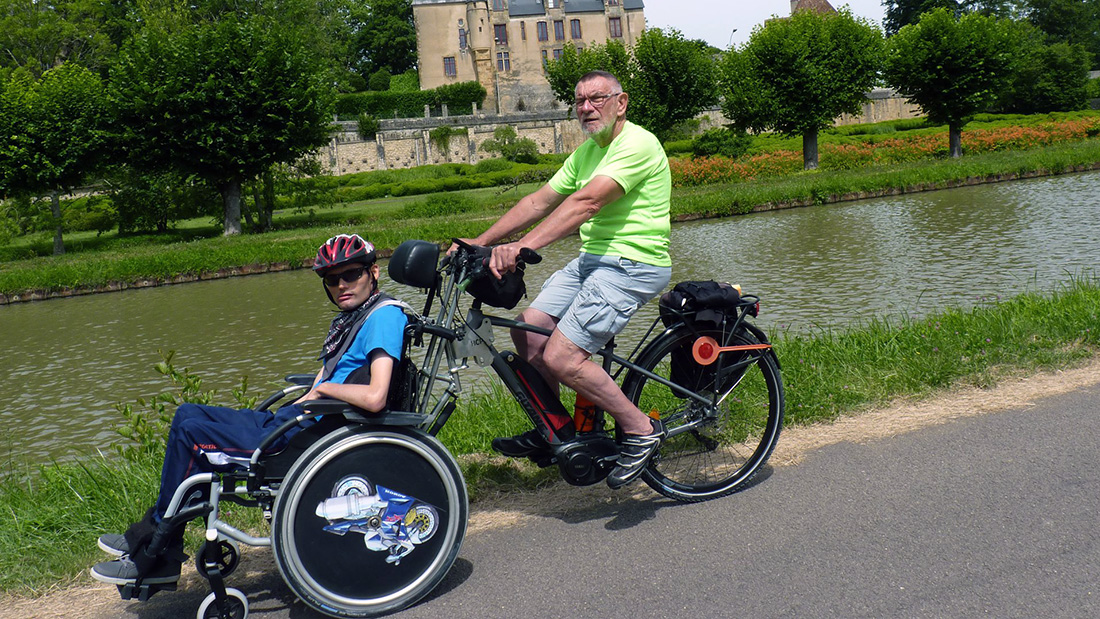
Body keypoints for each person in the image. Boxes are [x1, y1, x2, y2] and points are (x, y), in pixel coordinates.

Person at [90, 233, 408, 586]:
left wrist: (323, 389)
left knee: (191, 434)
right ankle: (154, 534)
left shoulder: (383, 317)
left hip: (307, 436)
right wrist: (317, 387)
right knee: (187, 414)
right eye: (332, 279)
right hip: (296, 420)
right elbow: (334, 371)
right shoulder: (353, 317)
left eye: (352, 275)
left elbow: (376, 396)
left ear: (374, 272)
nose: (341, 285)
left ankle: (156, 552)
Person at [456, 70, 672, 490]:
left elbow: (586, 203)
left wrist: (521, 248)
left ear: (621, 102)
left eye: (596, 99)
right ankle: (557, 428)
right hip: (594, 259)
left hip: (633, 263)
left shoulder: (638, 144)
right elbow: (540, 200)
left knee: (562, 357)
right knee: (530, 331)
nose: (586, 108)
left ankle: (642, 429)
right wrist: (480, 242)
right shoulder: (589, 151)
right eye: (579, 101)